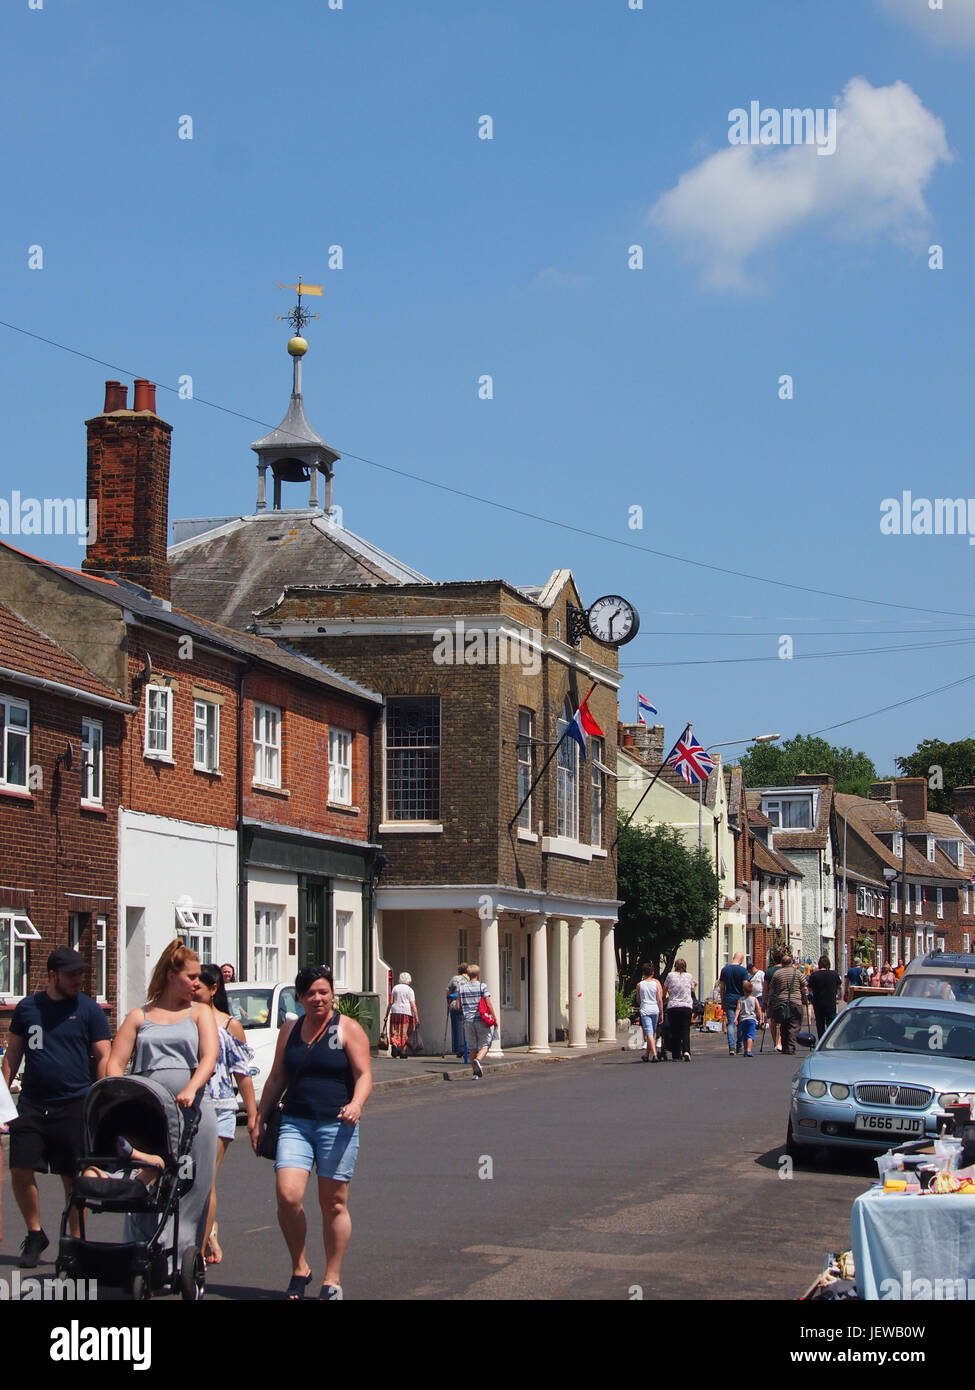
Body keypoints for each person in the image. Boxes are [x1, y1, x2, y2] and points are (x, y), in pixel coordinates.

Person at [256, 965, 372, 1300]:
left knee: (333, 1203)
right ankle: (300, 1267)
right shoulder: (290, 1030)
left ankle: (331, 1279)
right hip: (295, 1121)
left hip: (337, 1124)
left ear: (332, 995)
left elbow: (364, 1074)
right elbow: (277, 1076)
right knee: (288, 1195)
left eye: (324, 992)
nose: (318, 998)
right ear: (300, 998)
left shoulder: (347, 1028)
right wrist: (260, 1117)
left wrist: (356, 1104)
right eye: (311, 993)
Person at [107, 940, 218, 1261]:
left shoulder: (200, 1013)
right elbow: (114, 1064)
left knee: (193, 1184)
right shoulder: (139, 1016)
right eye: (192, 977)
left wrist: (192, 1088)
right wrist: (122, 1097)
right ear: (171, 975)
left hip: (193, 1110)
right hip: (149, 1113)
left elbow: (209, 1057)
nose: (198, 983)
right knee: (145, 1178)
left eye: (199, 978)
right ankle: (143, 1250)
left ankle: (183, 1254)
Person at [1, 946, 111, 1268]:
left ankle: (74, 1243)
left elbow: (104, 1056)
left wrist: (103, 1098)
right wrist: (2, 1099)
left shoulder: (89, 1010)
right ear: (53, 975)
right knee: (20, 1170)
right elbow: (12, 1056)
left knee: (72, 1177)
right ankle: (35, 1233)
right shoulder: (27, 1009)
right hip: (33, 1103)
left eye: (81, 973)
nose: (79, 979)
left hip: (74, 1103)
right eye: (72, 974)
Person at [196, 962, 258, 1263]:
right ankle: (208, 1232)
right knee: (186, 1179)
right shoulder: (181, 1020)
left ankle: (194, 1253)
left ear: (213, 989)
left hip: (220, 1108)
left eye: (199, 984)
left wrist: (255, 1115)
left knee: (205, 1179)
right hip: (187, 1109)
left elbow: (242, 1073)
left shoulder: (228, 1025)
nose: (193, 988)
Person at [457, 964, 497, 1079]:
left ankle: (475, 1072)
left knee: (472, 1047)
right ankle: (478, 1060)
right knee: (485, 1044)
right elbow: (488, 1004)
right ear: (478, 974)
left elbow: (458, 1006)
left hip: (468, 1021)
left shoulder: (462, 988)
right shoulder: (482, 986)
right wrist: (494, 1018)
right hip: (481, 1020)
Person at [766, 953, 809, 1055]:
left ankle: (785, 1046)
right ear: (791, 962)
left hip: (781, 1002)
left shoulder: (777, 974)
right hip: (795, 1001)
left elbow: (771, 989)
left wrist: (769, 1001)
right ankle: (790, 1046)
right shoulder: (797, 973)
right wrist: (806, 998)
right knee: (794, 1025)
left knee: (783, 1025)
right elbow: (804, 987)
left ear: (782, 963)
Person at [663, 959, 696, 1061]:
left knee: (675, 1030)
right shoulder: (689, 976)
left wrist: (664, 998)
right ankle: (686, 1051)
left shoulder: (670, 975)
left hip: (673, 1006)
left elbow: (665, 989)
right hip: (686, 1006)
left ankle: (676, 1054)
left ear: (675, 966)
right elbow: (692, 990)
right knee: (685, 1030)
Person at [719, 951, 750, 1056]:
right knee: (741, 1022)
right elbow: (745, 985)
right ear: (741, 960)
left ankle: (731, 1046)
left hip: (729, 998)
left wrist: (722, 1000)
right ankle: (739, 1045)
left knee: (731, 1022)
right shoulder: (743, 971)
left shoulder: (725, 970)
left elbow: (722, 987)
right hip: (740, 999)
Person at [806, 955, 841, 1039]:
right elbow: (839, 986)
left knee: (820, 1023)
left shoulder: (814, 975)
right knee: (831, 1022)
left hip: (818, 1002)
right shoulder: (834, 974)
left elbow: (809, 988)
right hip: (830, 1002)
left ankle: (821, 1040)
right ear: (828, 964)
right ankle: (829, 1039)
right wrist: (836, 994)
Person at [386, 972, 418, 1058]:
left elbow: (391, 1002)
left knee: (395, 1030)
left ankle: (395, 1045)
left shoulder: (395, 988)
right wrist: (417, 1017)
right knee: (407, 1032)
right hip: (406, 1012)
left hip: (395, 1011)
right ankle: (403, 1052)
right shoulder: (410, 990)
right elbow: (413, 1005)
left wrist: (386, 1015)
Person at [636, 963, 663, 1062]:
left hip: (645, 1009)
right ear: (652, 972)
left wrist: (642, 1003)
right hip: (655, 1009)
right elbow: (659, 999)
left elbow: (638, 999)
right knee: (652, 1032)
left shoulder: (639, 985)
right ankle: (646, 1055)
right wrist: (661, 1012)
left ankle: (654, 1055)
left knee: (649, 1033)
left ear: (643, 973)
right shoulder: (656, 984)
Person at [734, 980, 763, 1057]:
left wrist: (736, 1018)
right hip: (751, 1019)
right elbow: (758, 1009)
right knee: (750, 1035)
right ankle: (749, 1050)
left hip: (743, 1020)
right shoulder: (754, 999)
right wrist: (760, 1019)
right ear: (752, 990)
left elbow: (738, 1009)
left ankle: (745, 1049)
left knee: (744, 1035)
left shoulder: (740, 999)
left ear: (743, 990)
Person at [446, 963, 469, 1059]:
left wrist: (448, 1002)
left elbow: (448, 990)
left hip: (454, 1003)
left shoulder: (454, 979)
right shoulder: (468, 979)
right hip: (465, 1004)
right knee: (466, 1026)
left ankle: (458, 1049)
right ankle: (466, 1048)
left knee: (456, 1026)